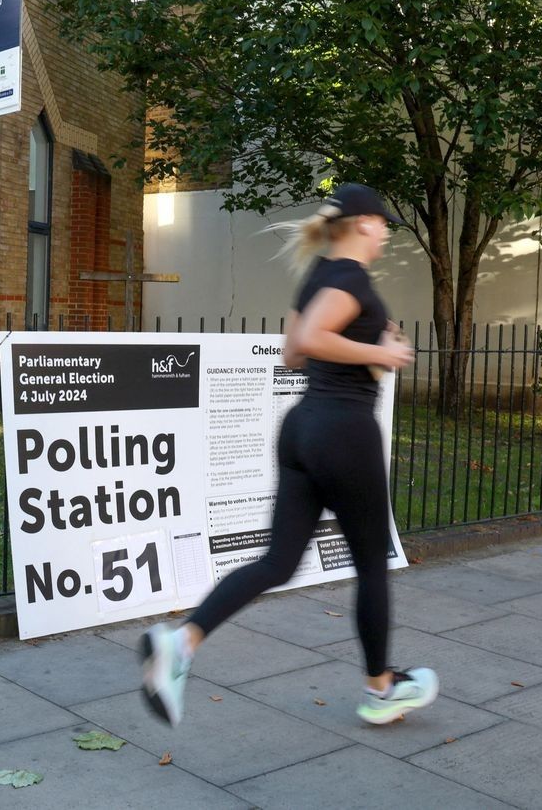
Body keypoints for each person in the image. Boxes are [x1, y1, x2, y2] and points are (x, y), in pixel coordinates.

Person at [139, 183, 437, 727]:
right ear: (365, 223)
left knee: (278, 562)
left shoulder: (320, 276)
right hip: (344, 432)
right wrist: (383, 351)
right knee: (371, 565)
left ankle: (180, 643)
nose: (388, 232)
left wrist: (364, 347)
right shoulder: (349, 276)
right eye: (384, 222)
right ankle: (380, 689)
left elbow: (293, 352)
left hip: (304, 429)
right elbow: (315, 339)